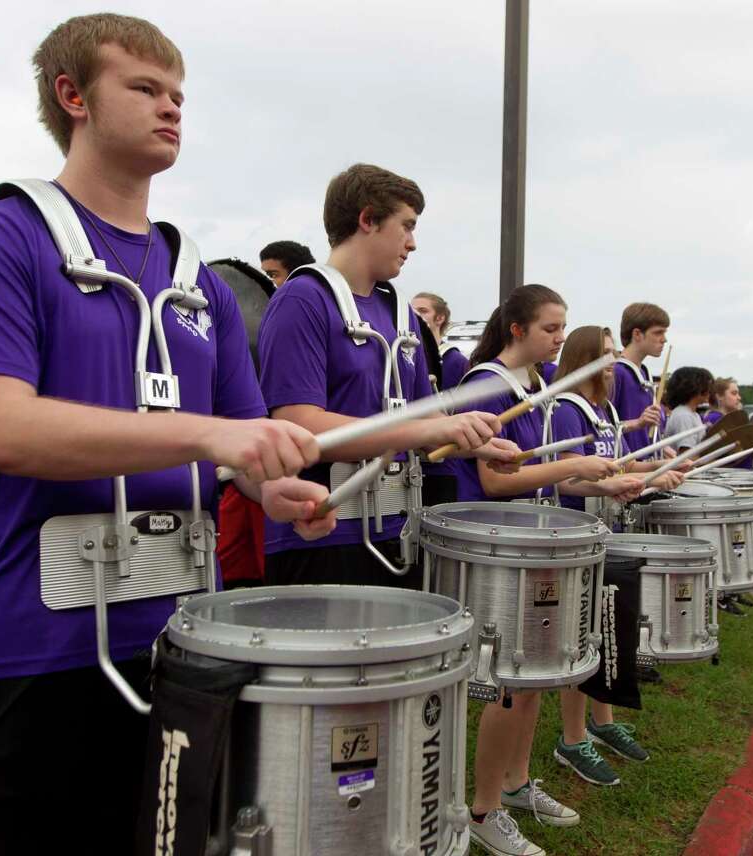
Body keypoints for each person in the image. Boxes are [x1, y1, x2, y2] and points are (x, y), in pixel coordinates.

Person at [0, 15, 337, 853]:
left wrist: (268, 483)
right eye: (144, 89)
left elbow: (242, 438)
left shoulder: (202, 286)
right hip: (37, 646)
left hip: (188, 638)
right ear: (73, 96)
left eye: (179, 94)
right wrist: (211, 440)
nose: (171, 108)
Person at [256, 163, 516, 588]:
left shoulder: (402, 316)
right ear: (368, 219)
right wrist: (427, 431)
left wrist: (471, 443)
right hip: (323, 534)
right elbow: (297, 424)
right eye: (406, 226)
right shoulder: (301, 299)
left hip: (398, 527)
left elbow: (420, 423)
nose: (412, 243)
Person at [455, 288, 640, 856]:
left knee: (534, 679)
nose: (562, 338)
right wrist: (574, 464)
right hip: (492, 544)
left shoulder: (535, 387)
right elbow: (494, 483)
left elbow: (544, 478)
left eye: (562, 328)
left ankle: (512, 786)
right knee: (509, 684)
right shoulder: (485, 384)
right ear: (517, 329)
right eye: (551, 328)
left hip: (527, 542)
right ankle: (482, 809)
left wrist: (606, 481)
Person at [548, 326, 673, 789]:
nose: (612, 362)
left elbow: (621, 464)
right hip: (577, 533)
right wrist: (607, 485)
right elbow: (562, 479)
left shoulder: (604, 411)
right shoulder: (566, 411)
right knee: (581, 636)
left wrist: (660, 472)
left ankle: (602, 719)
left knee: (606, 632)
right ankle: (572, 738)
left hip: (609, 530)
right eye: (603, 355)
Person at [612, 302, 668, 453]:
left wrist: (662, 448)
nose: (664, 339)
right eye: (658, 333)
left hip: (647, 465)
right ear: (637, 334)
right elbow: (604, 427)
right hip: (625, 468)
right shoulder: (616, 372)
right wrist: (638, 423)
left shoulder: (643, 373)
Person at [412, 291, 469, 390]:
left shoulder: (457, 361)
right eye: (412, 311)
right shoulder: (408, 355)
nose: (415, 315)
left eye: (423, 311)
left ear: (440, 318)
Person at [662, 367, 714, 450]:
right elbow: (686, 455)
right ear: (693, 387)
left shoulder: (693, 414)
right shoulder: (684, 416)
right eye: (707, 386)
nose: (710, 391)